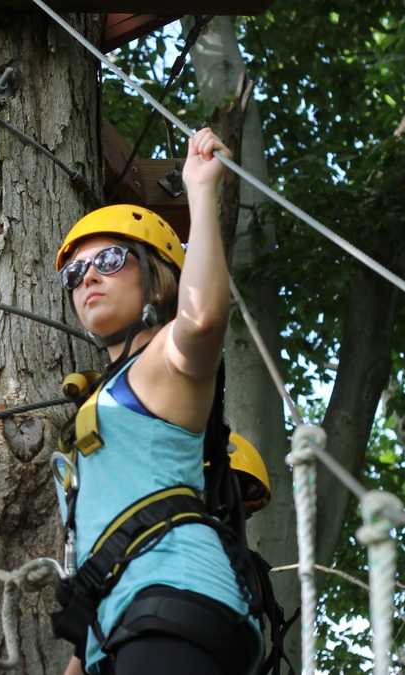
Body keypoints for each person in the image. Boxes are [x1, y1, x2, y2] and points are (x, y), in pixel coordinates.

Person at [50, 128, 263, 675]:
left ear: (158, 276)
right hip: (125, 623)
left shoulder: (167, 362)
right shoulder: (110, 391)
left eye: (112, 259)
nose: (88, 276)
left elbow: (203, 319)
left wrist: (200, 189)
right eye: (75, 273)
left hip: (175, 600)